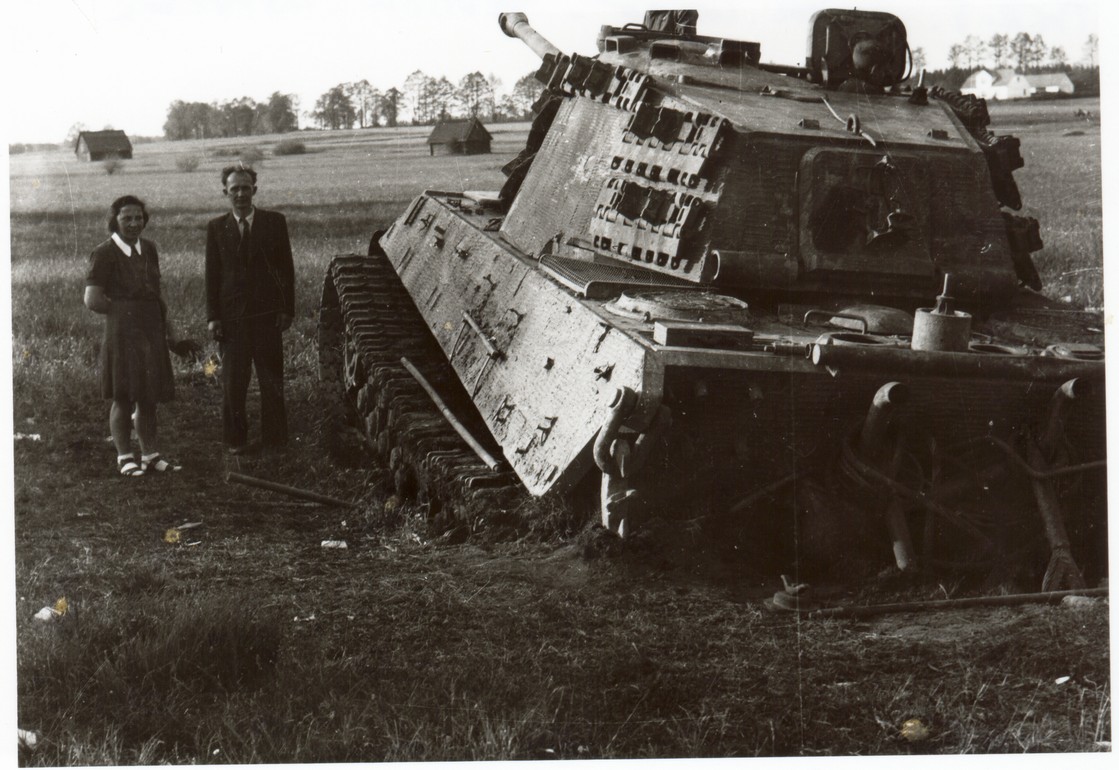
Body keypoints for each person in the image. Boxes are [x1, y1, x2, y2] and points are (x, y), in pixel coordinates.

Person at [84, 195, 182, 476]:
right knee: (123, 396)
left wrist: (168, 327)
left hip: (151, 330)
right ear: (114, 221)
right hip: (123, 332)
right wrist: (125, 313)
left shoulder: (149, 249)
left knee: (149, 396)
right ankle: (125, 457)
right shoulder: (103, 253)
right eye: (126, 218)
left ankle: (150, 455)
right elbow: (92, 299)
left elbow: (158, 291)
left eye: (138, 217)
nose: (134, 223)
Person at [205, 164, 295, 454]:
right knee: (234, 382)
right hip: (233, 319)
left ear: (255, 190)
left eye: (246, 188)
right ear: (225, 193)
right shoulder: (217, 228)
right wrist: (213, 317)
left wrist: (286, 309)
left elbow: (285, 269)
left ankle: (275, 440)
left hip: (267, 316)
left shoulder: (274, 222)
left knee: (271, 379)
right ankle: (235, 441)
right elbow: (212, 275)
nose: (241, 194)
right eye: (235, 189)